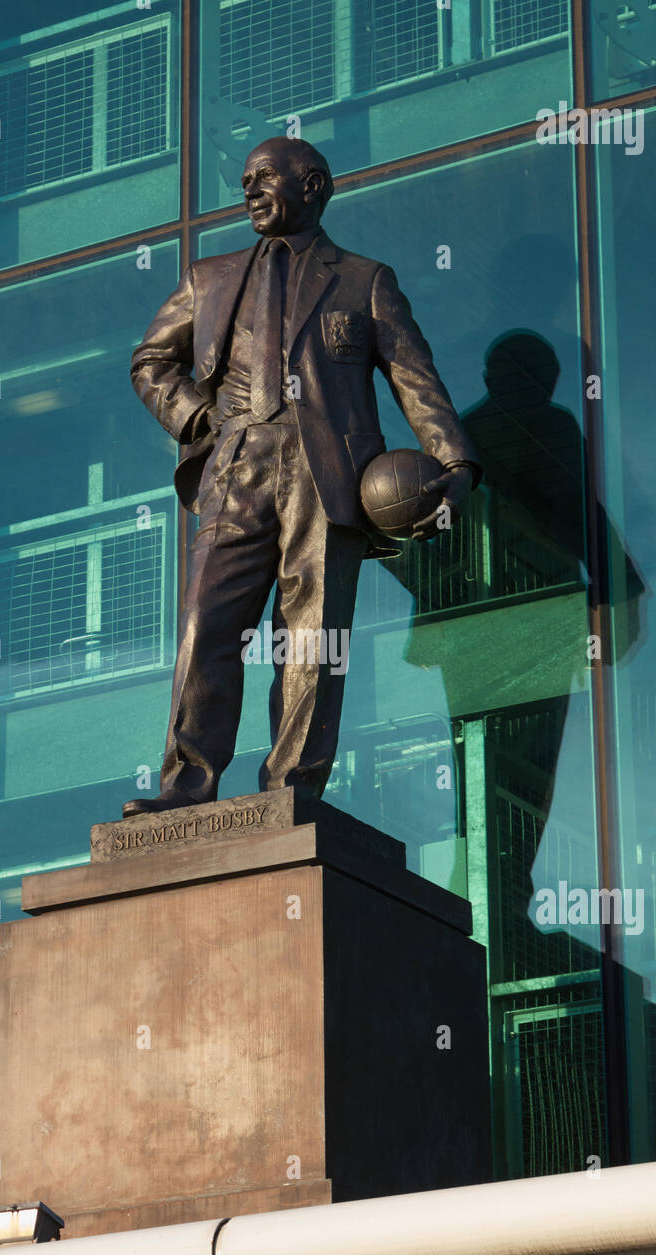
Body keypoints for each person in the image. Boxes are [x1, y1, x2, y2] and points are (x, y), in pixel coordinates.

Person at [123, 137, 479, 816]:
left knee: (313, 638)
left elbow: (414, 379)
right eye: (246, 181)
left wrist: (456, 463)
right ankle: (187, 785)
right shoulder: (211, 276)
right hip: (236, 462)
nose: (249, 191)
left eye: (264, 179)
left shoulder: (364, 280)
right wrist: (196, 417)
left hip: (327, 477)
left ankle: (292, 789)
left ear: (312, 185)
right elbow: (149, 361)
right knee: (206, 623)